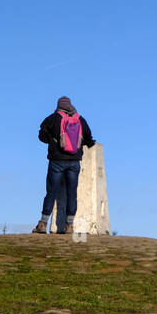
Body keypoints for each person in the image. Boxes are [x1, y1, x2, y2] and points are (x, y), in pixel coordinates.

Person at [33, 96, 96, 234]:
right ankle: (70, 226)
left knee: (51, 192)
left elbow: (41, 135)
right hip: (74, 162)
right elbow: (89, 139)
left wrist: (53, 141)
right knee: (72, 193)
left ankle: (43, 223)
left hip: (56, 161)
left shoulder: (53, 118)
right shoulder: (80, 119)